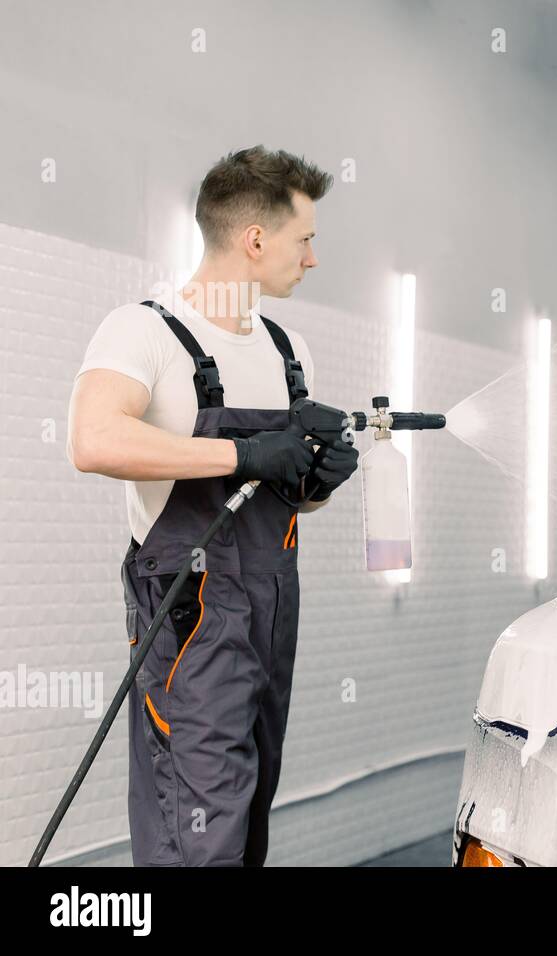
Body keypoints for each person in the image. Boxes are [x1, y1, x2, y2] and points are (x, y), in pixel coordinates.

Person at [65, 145, 358, 866]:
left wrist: (319, 480)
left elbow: (281, 500)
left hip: (271, 604)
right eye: (305, 239)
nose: (313, 259)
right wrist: (243, 454)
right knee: (198, 816)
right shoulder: (147, 329)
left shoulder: (290, 351)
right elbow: (93, 439)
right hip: (189, 612)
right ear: (256, 240)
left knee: (248, 806)